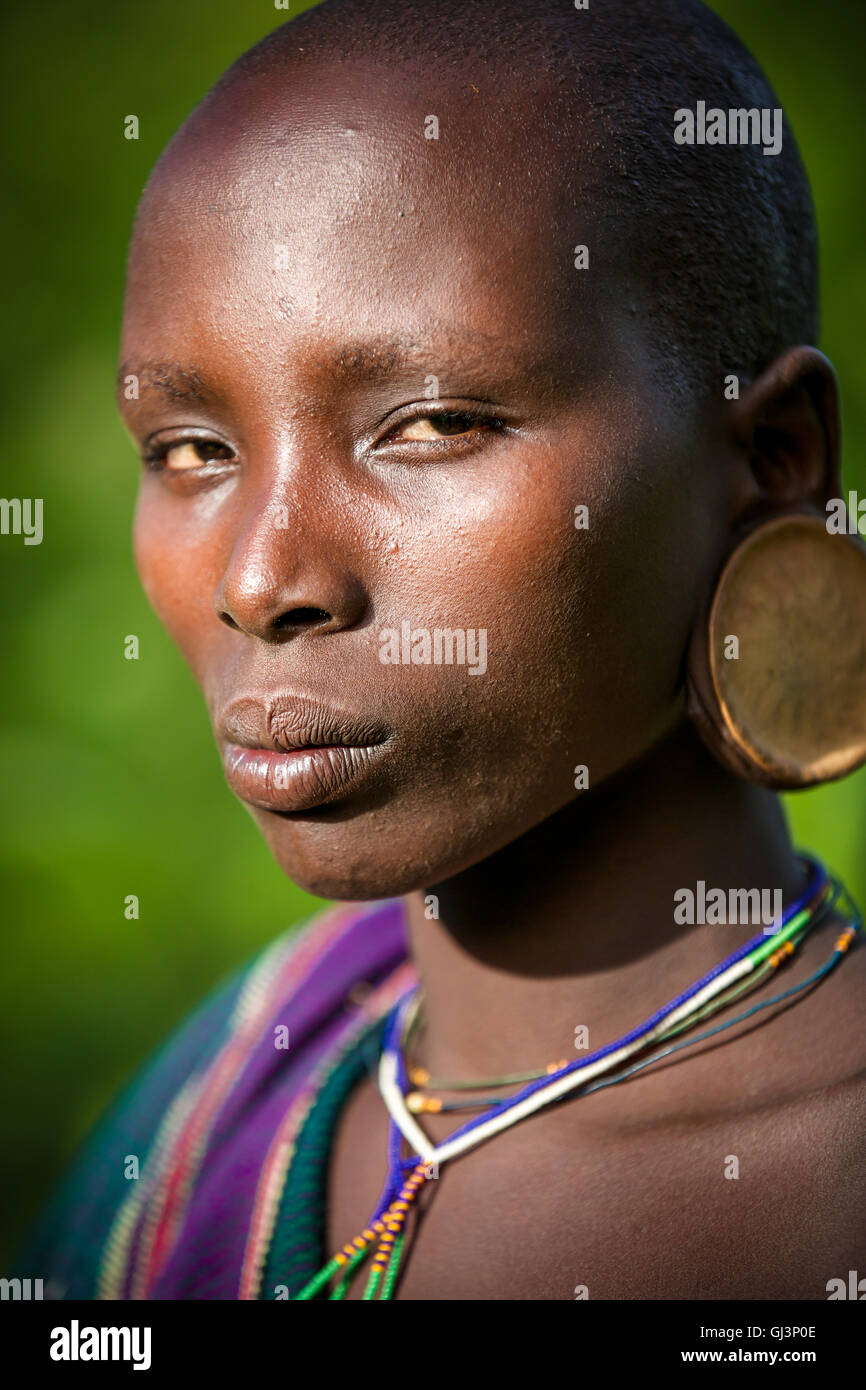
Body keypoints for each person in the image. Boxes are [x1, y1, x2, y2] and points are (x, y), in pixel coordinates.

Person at [17, 0, 866, 1300]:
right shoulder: (222, 1100)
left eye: (426, 423)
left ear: (770, 460)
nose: (261, 579)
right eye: (193, 452)